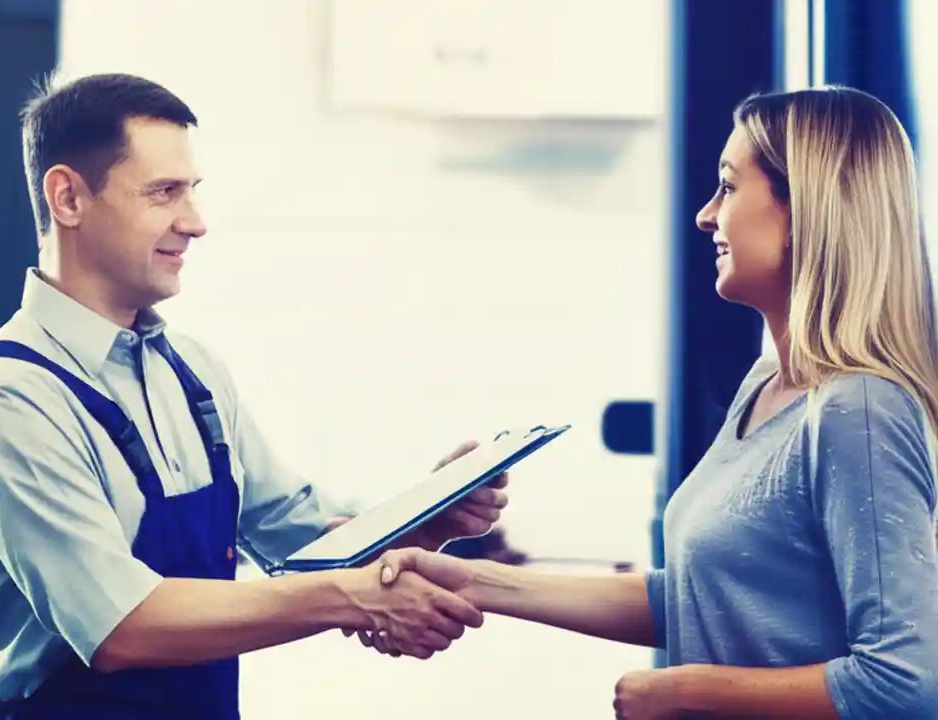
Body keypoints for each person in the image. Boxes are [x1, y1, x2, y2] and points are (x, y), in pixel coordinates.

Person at [0, 72, 508, 720]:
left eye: (192, 191)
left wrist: (426, 519)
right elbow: (122, 626)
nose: (195, 223)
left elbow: (301, 539)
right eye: (163, 192)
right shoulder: (10, 402)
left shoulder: (193, 374)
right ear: (68, 198)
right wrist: (353, 599)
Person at [370, 86, 938, 719]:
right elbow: (701, 597)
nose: (706, 215)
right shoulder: (766, 386)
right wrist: (476, 581)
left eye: (728, 187)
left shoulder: (861, 410)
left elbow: (903, 682)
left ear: (805, 207)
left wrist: (683, 691)